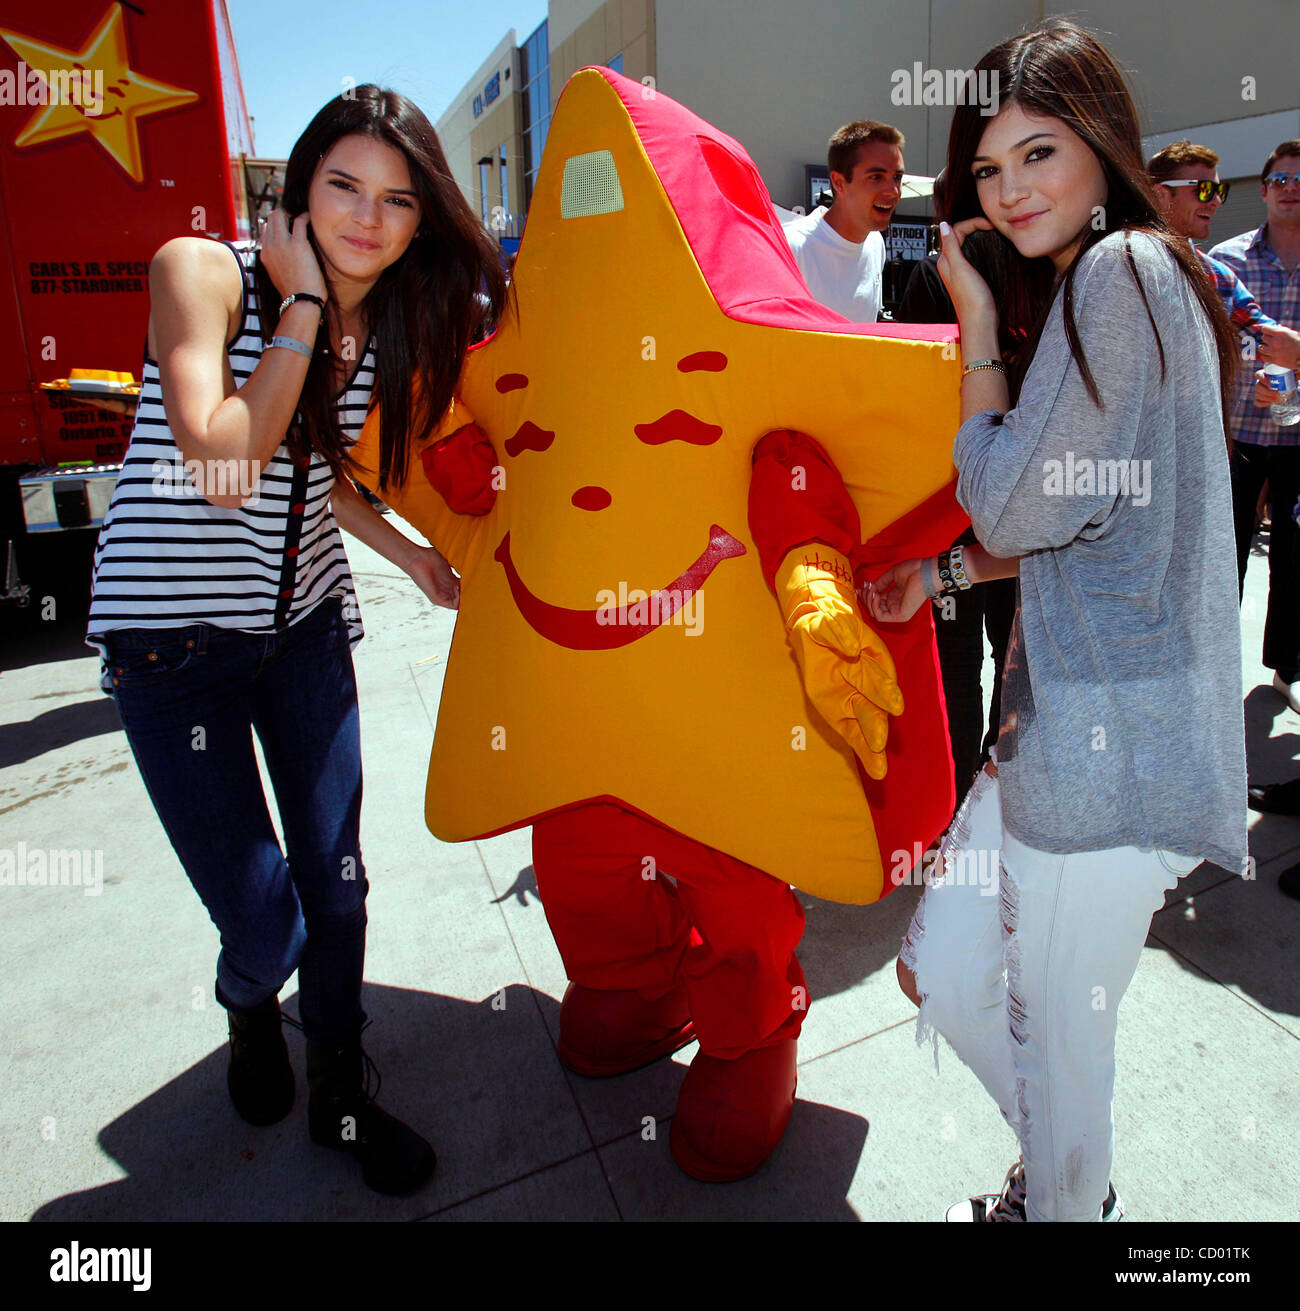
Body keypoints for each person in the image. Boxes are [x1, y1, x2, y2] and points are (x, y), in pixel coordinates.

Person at [86, 86, 507, 1195]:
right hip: (172, 651)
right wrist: (305, 307)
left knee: (339, 882)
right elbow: (227, 466)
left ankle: (342, 1097)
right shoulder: (204, 272)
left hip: (307, 631)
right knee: (265, 917)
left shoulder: (386, 323)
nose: (370, 219)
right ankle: (247, 1006)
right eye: (343, 187)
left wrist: (410, 549)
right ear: (295, 187)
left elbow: (311, 463)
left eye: (399, 200)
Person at [864, 18, 1247, 1221]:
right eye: (987, 168)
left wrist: (973, 331)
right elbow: (1082, 521)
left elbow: (1016, 500)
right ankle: (1068, 1186)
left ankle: (1066, 1202)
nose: (1011, 187)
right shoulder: (1131, 280)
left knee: (1060, 1050)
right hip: (1067, 733)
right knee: (944, 971)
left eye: (1038, 153)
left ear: (1099, 144)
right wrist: (937, 581)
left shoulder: (1118, 274)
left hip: (1109, 753)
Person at [1209, 142, 1300, 709]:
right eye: (1281, 178)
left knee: (1294, 558)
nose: (1292, 186)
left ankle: (1287, 670)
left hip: (1297, 438)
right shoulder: (1228, 261)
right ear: (1264, 190)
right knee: (1223, 560)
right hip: (1235, 437)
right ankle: (1213, 671)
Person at [782, 120, 904, 322]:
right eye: (876, 177)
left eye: (897, 177)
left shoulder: (875, 243)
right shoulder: (792, 247)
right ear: (839, 183)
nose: (893, 191)